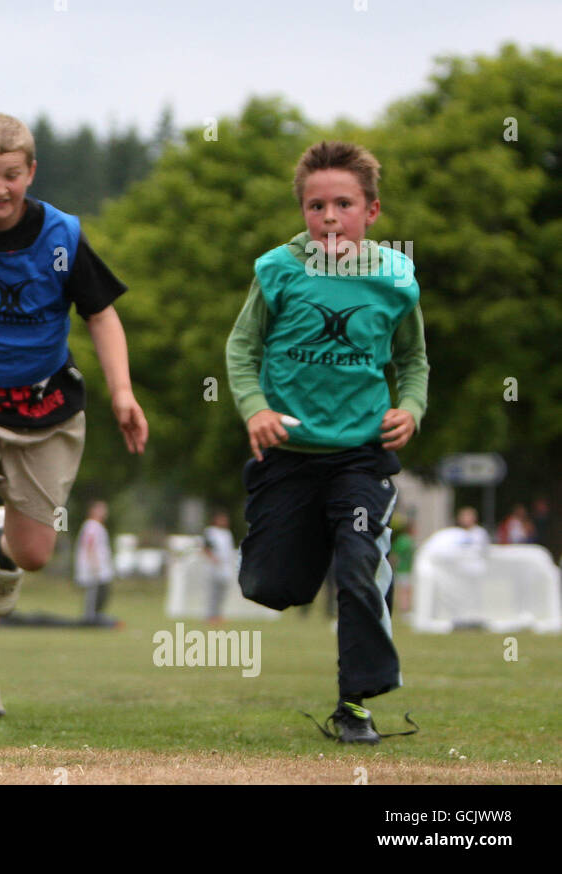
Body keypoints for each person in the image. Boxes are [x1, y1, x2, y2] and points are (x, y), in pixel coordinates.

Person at [0, 113, 149, 718]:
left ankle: (7, 549)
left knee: (34, 553)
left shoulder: (63, 236)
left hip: (44, 407)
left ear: (31, 172)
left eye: (10, 175)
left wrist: (123, 392)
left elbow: (101, 313)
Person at [226, 140, 429, 744]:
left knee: (360, 565)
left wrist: (411, 407)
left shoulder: (396, 280)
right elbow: (243, 349)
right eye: (316, 207)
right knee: (269, 585)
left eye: (344, 204)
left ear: (372, 212)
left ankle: (355, 703)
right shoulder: (277, 271)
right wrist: (256, 409)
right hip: (287, 455)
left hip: (360, 456)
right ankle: (316, 538)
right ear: (303, 212)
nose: (330, 218)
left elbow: (413, 359)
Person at [73, 500, 115, 622]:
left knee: (102, 590)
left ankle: (96, 614)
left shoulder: (97, 526)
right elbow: (90, 544)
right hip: (94, 566)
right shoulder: (92, 525)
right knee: (93, 592)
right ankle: (90, 617)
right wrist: (94, 563)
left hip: (101, 566)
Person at [201, 509, 235, 624]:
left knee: (222, 592)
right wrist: (212, 558)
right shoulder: (210, 532)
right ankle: (210, 616)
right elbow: (205, 547)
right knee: (213, 593)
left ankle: (218, 614)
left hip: (225, 567)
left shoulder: (227, 534)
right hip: (213, 567)